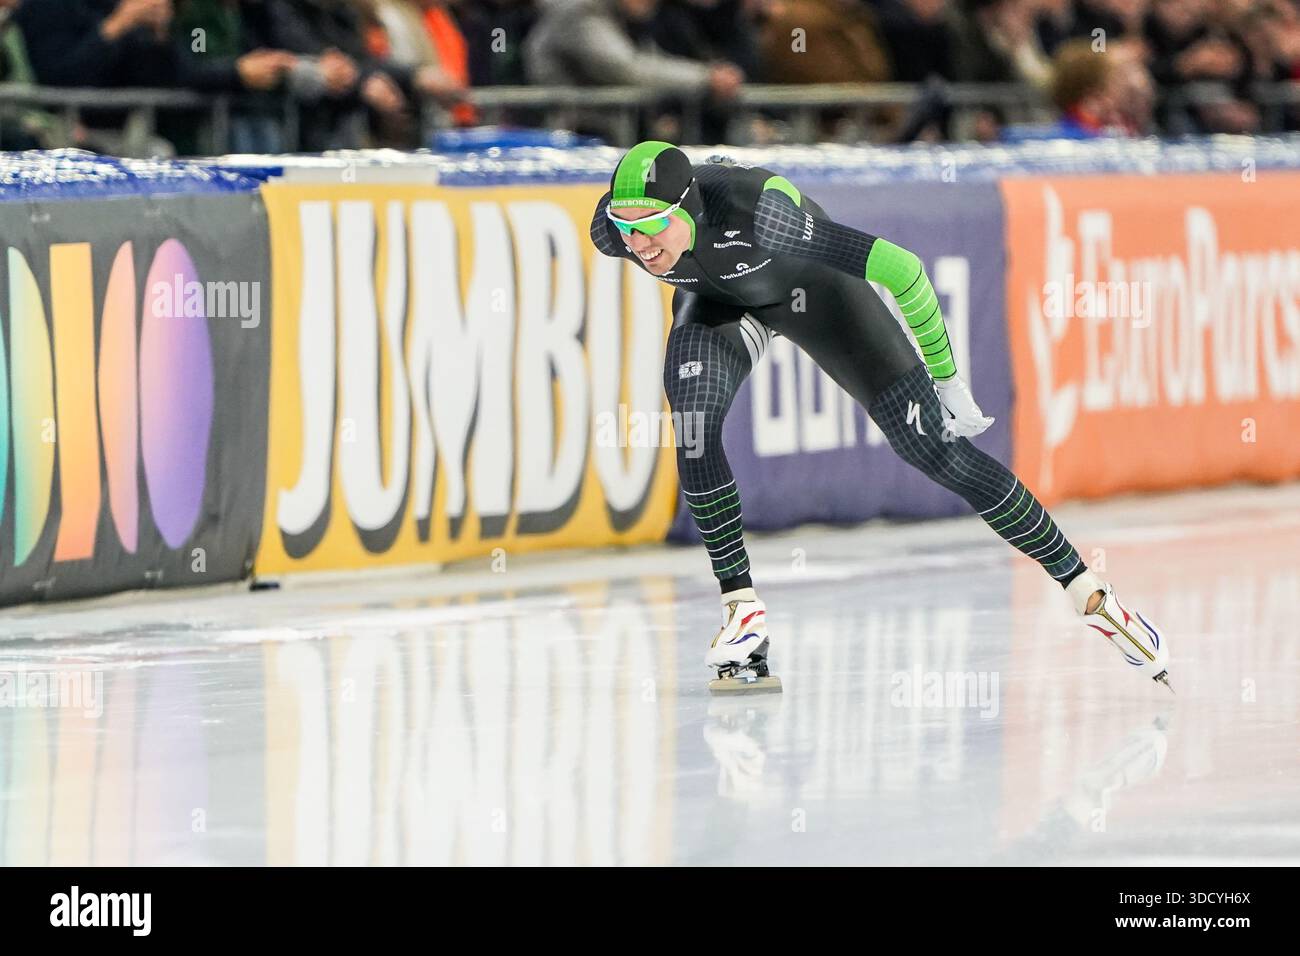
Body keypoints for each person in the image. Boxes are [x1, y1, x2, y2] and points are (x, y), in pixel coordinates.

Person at [588, 142, 1173, 693]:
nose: (638, 242)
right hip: (719, 303)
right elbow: (634, 226)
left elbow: (904, 269)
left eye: (653, 224)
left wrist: (946, 378)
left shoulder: (765, 217)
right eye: (627, 225)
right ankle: (743, 613)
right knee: (693, 424)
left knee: (935, 452)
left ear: (689, 208)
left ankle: (1086, 588)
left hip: (817, 295)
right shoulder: (611, 232)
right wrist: (635, 225)